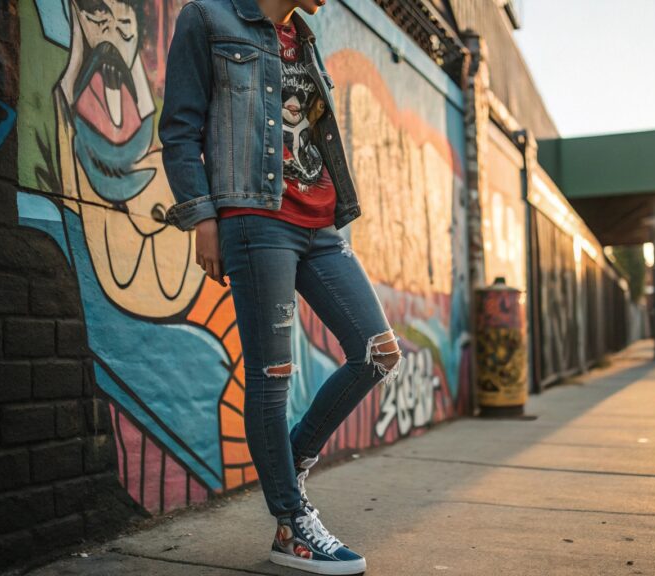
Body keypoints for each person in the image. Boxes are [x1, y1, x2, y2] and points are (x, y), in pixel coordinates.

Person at [159, 1, 402, 573]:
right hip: (255, 220)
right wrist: (202, 218)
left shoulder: (304, 37)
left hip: (320, 225)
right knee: (272, 380)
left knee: (377, 351)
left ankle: (287, 463)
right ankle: (292, 525)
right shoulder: (209, 20)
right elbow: (179, 129)